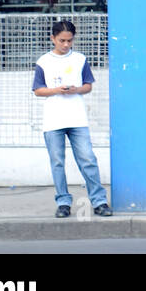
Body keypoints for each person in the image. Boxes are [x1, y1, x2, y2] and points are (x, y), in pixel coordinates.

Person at [32, 20, 111, 218]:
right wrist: (56, 90)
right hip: (53, 119)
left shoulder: (80, 59)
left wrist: (76, 89)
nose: (66, 44)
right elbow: (38, 90)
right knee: (57, 162)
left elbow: (88, 85)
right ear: (53, 39)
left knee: (87, 159)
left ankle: (99, 201)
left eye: (69, 40)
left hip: (77, 117)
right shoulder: (44, 61)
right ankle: (63, 201)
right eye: (62, 41)